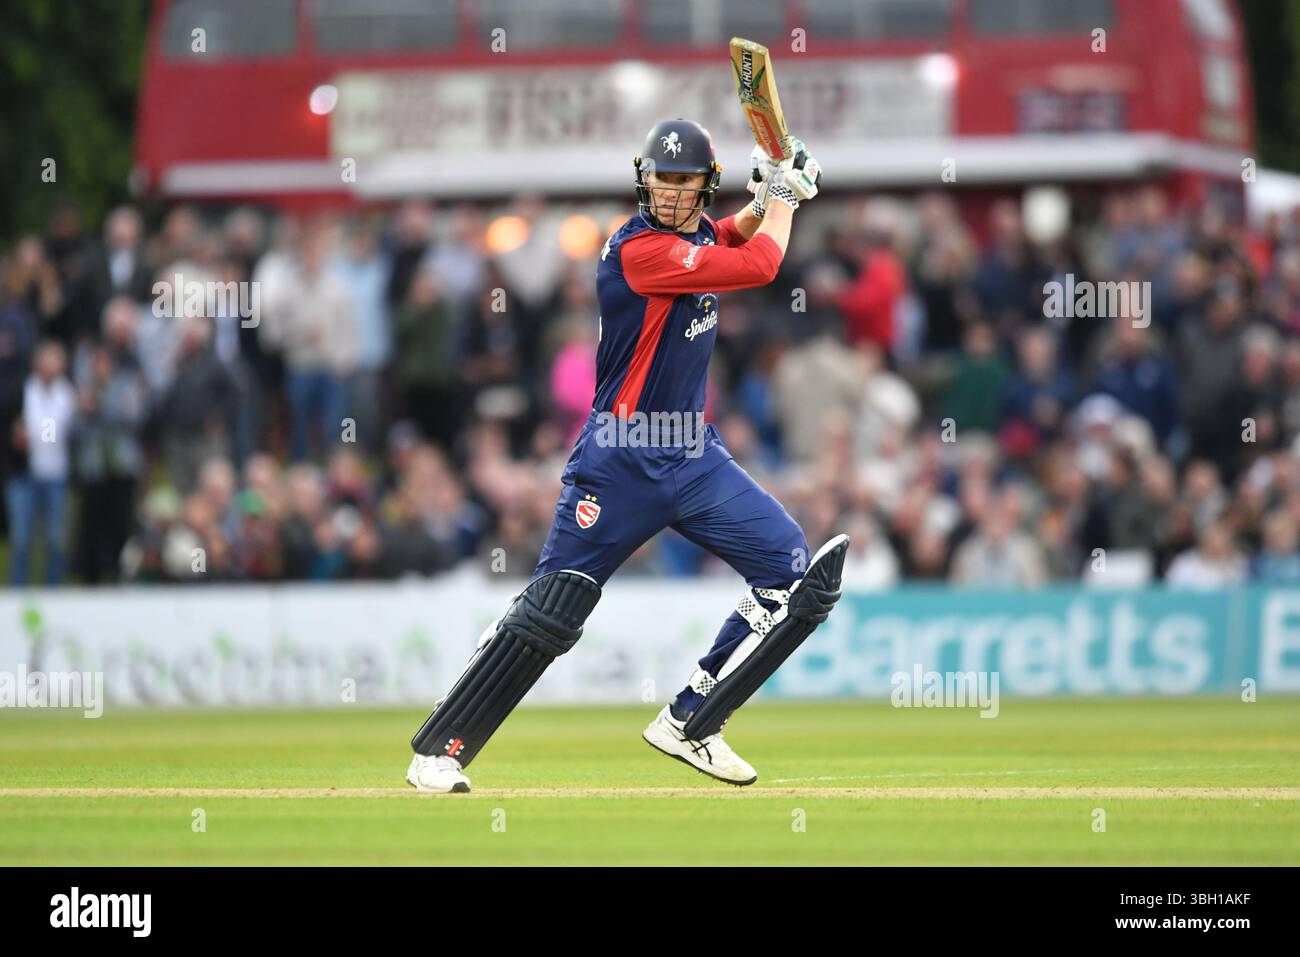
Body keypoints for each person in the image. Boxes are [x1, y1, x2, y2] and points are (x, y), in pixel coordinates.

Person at [406, 119, 848, 793]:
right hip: (620, 459)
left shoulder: (697, 232)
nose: (672, 195)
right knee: (552, 612)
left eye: (686, 183)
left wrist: (766, 197)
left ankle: (692, 721)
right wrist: (783, 194)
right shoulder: (637, 250)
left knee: (794, 577)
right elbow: (760, 262)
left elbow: (733, 234)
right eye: (662, 180)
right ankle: (439, 751)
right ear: (645, 179)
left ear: (704, 187)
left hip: (691, 452)